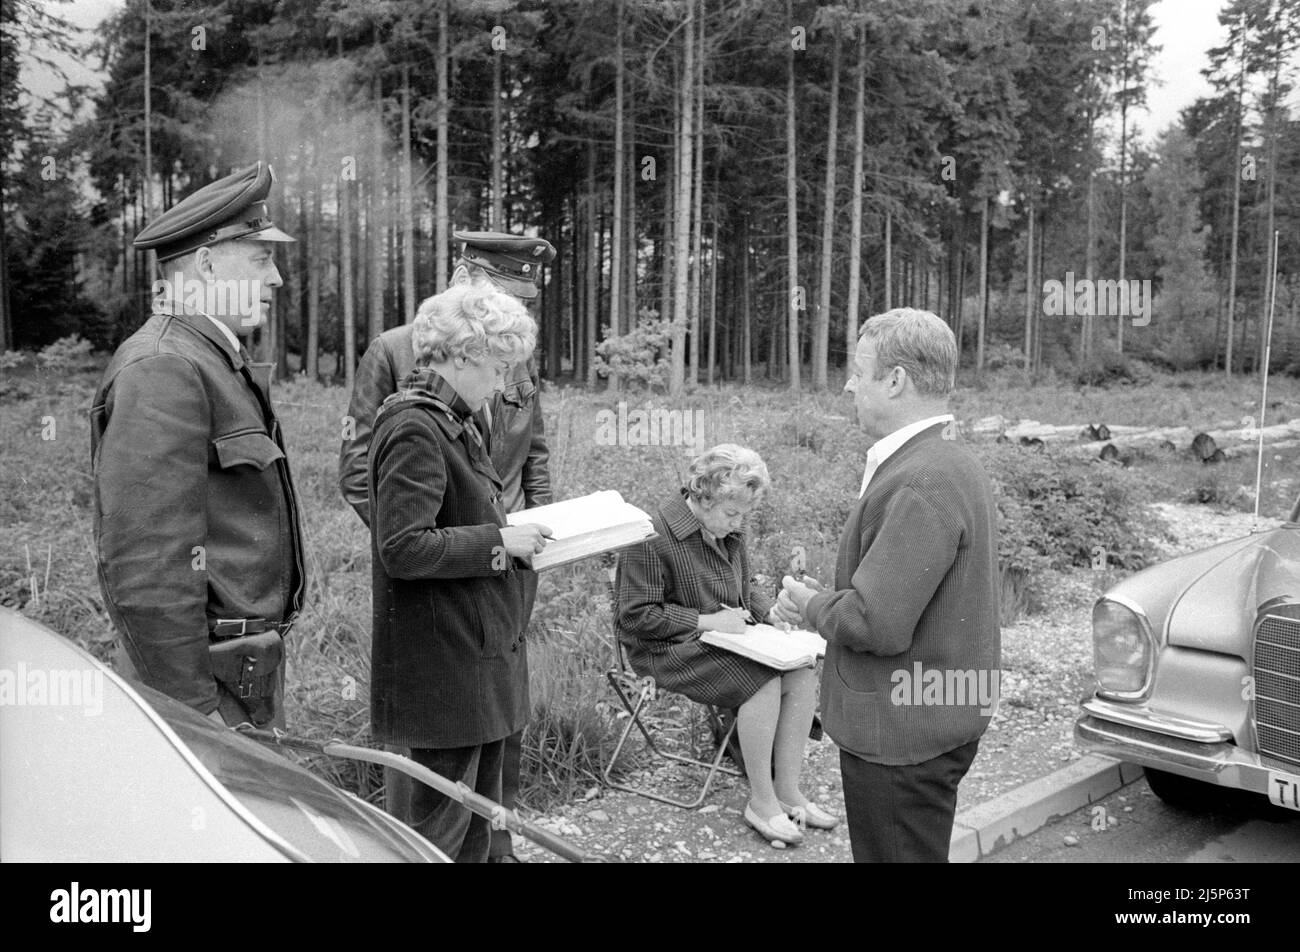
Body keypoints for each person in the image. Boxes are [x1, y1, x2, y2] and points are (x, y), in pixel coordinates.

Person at [340, 229, 555, 862]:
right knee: (440, 798)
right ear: (463, 350)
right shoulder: (410, 399)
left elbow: (530, 453)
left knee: (489, 767)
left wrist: (526, 539)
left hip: (497, 588)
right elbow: (400, 536)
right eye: (495, 366)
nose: (503, 380)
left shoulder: (468, 392)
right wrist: (484, 543)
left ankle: (497, 851)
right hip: (449, 610)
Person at [779, 308, 1000, 863]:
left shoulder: (921, 478)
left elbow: (876, 621)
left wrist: (808, 604)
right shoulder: (948, 461)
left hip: (902, 735)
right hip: (932, 714)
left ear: (896, 380)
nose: (850, 385)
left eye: (859, 371)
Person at [91, 161, 305, 728]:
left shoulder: (209, 357)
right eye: (261, 258)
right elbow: (150, 561)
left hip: (238, 673)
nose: (276, 277)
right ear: (208, 264)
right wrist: (191, 709)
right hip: (201, 688)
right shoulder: (165, 366)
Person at [614, 444, 837, 845]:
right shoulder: (651, 534)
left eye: (744, 514)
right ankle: (762, 802)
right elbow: (634, 617)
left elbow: (744, 587)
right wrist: (705, 620)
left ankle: (788, 791)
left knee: (801, 672)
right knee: (762, 680)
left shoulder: (729, 526)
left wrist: (769, 613)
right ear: (702, 495)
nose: (738, 523)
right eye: (732, 513)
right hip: (665, 649)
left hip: (725, 638)